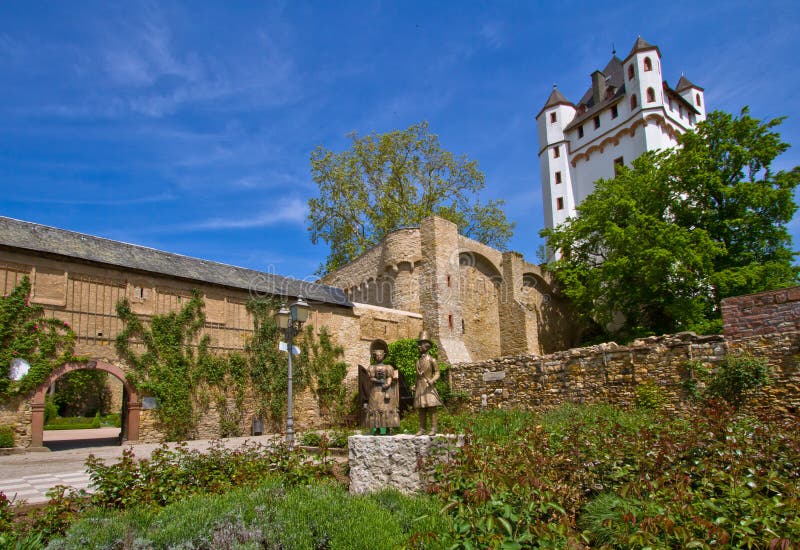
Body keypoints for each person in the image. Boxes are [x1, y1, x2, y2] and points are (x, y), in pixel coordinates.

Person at [359, 339, 400, 434]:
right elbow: (371, 379)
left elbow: (389, 377)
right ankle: (377, 428)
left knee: (387, 408)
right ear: (374, 356)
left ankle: (388, 428)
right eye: (376, 356)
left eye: (380, 355)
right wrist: (379, 381)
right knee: (375, 408)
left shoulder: (388, 367)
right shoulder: (372, 368)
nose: (378, 357)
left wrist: (388, 384)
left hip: (386, 391)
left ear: (384, 356)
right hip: (376, 390)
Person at [414, 330, 442, 435]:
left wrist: (432, 380)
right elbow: (417, 376)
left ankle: (434, 428)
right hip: (420, 387)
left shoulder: (432, 360)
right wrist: (415, 384)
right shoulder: (417, 361)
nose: (419, 346)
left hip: (429, 387)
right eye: (419, 344)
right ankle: (422, 428)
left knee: (431, 407)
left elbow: (437, 373)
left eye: (421, 344)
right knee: (421, 408)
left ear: (427, 346)